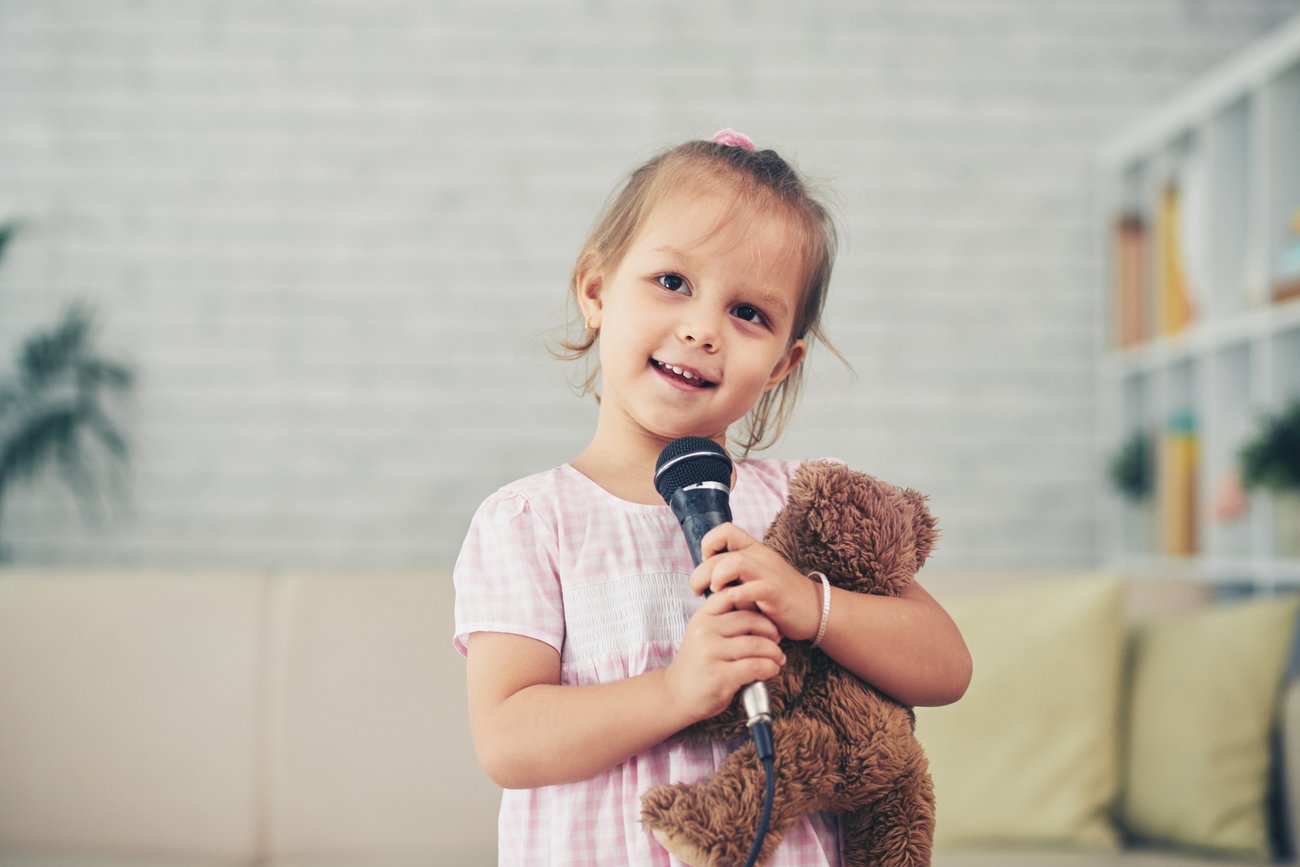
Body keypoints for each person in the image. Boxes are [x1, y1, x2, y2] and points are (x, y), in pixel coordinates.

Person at [453, 129, 972, 866]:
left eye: (749, 313)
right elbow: (507, 739)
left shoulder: (802, 501)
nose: (702, 329)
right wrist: (676, 690)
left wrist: (812, 603)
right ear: (597, 289)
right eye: (673, 282)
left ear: (782, 365)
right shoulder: (531, 521)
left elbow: (947, 665)